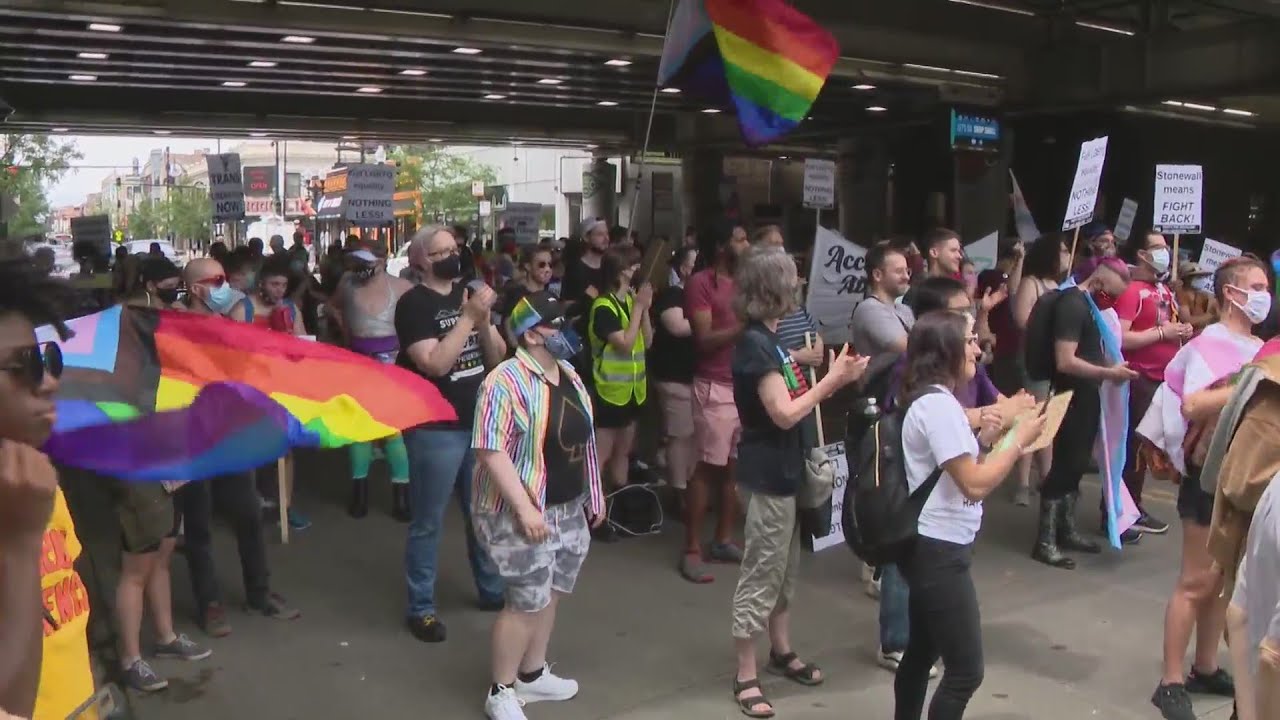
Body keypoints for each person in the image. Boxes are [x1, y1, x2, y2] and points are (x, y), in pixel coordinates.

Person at [728, 245, 870, 718]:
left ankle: (781, 649)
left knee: (784, 570)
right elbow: (784, 414)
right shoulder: (754, 344)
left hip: (784, 471)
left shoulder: (768, 341)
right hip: (767, 473)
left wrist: (832, 377)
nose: (800, 286)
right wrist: (833, 380)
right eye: (793, 279)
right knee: (762, 571)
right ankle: (746, 673)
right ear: (777, 290)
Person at [892, 310, 1045, 720]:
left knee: (921, 654)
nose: (979, 348)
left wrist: (988, 440)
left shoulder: (937, 402)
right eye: (971, 340)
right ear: (947, 351)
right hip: (938, 551)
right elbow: (974, 484)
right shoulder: (939, 407)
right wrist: (1017, 440)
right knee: (965, 671)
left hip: (935, 545)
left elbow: (953, 468)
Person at [1144, 258, 1270, 720]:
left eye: (1266, 286)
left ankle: (1205, 665)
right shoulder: (1209, 346)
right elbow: (1194, 404)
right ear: (1230, 293)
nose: (1263, 294)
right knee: (1196, 581)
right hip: (1208, 478)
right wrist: (1252, 381)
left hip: (1245, 480)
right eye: (1254, 286)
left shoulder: (1261, 347)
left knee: (1221, 582)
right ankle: (1171, 680)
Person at [470, 291, 606, 720]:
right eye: (557, 323)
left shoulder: (569, 374)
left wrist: (594, 495)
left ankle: (531, 674)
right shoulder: (503, 381)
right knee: (525, 600)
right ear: (530, 336)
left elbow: (582, 440)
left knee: (552, 592)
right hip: (518, 512)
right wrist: (526, 509)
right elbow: (489, 451)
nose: (567, 330)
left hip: (567, 507)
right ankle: (501, 690)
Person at [176, 258, 300, 637]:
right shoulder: (176, 326)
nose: (226, 286)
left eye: (226, 280)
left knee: (248, 514)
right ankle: (209, 603)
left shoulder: (230, 322)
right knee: (198, 524)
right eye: (217, 281)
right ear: (197, 289)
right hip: (194, 439)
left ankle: (259, 592)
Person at [396, 226, 506, 642]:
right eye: (440, 251)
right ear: (421, 260)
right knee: (429, 521)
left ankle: (492, 589)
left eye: (454, 249)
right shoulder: (414, 305)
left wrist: (483, 324)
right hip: (436, 428)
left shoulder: (471, 293)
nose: (451, 256)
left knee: (483, 515)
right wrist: (467, 319)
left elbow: (497, 358)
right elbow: (436, 364)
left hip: (478, 422)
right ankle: (421, 607)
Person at [0, 259, 95, 720]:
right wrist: (18, 546)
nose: (51, 380)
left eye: (49, 358)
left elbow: (66, 628)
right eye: (27, 365)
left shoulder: (34, 484)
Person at [115, 258, 212, 691]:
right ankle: (130, 659)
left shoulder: (164, 318)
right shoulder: (131, 324)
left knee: (165, 551)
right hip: (140, 455)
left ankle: (166, 636)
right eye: (173, 284)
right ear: (152, 284)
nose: (180, 288)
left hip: (170, 451)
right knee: (138, 561)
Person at [1034, 256, 1138, 569]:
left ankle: (1065, 529)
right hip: (1070, 395)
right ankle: (1046, 539)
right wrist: (1109, 374)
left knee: (1077, 464)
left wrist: (1109, 369)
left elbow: (1088, 353)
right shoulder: (1073, 306)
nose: (1112, 301)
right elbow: (1065, 361)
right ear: (1099, 282)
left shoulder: (1089, 306)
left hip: (1086, 394)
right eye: (1112, 293)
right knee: (1066, 464)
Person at [681, 221, 751, 583]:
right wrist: (746, 325)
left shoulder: (746, 283)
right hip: (715, 386)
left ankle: (723, 539)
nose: (747, 243)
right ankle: (692, 547)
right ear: (723, 245)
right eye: (740, 238)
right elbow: (705, 339)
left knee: (734, 469)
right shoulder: (700, 284)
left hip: (744, 385)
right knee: (708, 468)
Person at [1112, 231, 1193, 536]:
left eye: (1166, 247)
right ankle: (1121, 511)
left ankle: (1133, 506)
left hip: (1163, 379)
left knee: (1148, 449)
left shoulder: (1163, 290)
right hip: (1139, 378)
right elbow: (1121, 336)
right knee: (1133, 448)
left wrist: (1181, 329)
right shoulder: (1132, 291)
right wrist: (1163, 334)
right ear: (1142, 255)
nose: (1166, 253)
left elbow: (1176, 322)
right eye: (1158, 248)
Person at [327, 247, 414, 521]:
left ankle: (401, 495)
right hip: (358, 360)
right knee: (359, 428)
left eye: (366, 262)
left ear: (382, 261)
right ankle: (359, 491)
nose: (360, 267)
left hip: (392, 362)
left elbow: (419, 318)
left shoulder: (402, 287)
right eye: (356, 261)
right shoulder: (348, 283)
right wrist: (345, 330)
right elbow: (333, 305)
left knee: (392, 429)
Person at [1000, 233, 1071, 506]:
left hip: (1055, 360)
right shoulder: (1033, 283)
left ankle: (1046, 477)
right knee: (1032, 416)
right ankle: (1022, 482)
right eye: (1062, 251)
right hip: (1036, 359)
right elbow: (1021, 319)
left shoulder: (1060, 285)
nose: (1066, 256)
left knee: (1050, 418)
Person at [587, 246, 652, 507]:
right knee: (602, 455)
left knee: (623, 453)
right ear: (619, 272)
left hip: (633, 392)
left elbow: (646, 341)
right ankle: (594, 508)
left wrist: (645, 309)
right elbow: (624, 343)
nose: (637, 270)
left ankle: (619, 506)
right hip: (609, 392)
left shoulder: (630, 302)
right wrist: (638, 308)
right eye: (632, 265)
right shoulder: (604, 307)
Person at [649, 247, 698, 511]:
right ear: (683, 269)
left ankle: (688, 483)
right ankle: (679, 490)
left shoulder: (698, 296)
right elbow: (677, 326)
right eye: (694, 263)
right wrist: (711, 321)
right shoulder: (672, 295)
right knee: (680, 434)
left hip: (694, 376)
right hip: (673, 376)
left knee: (692, 435)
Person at [233, 256, 306, 336]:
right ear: (261, 284)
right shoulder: (241, 311)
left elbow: (303, 344)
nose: (280, 290)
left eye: (284, 285)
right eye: (275, 284)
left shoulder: (292, 309)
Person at [498, 246, 555, 348]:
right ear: (528, 266)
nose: (547, 269)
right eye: (541, 265)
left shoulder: (551, 296)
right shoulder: (517, 295)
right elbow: (510, 332)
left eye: (550, 265)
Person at [1174, 261, 1219, 331]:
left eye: (1202, 277)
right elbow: (1186, 321)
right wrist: (1211, 316)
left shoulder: (1202, 295)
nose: (1202, 279)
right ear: (1186, 279)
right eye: (1198, 277)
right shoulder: (1181, 294)